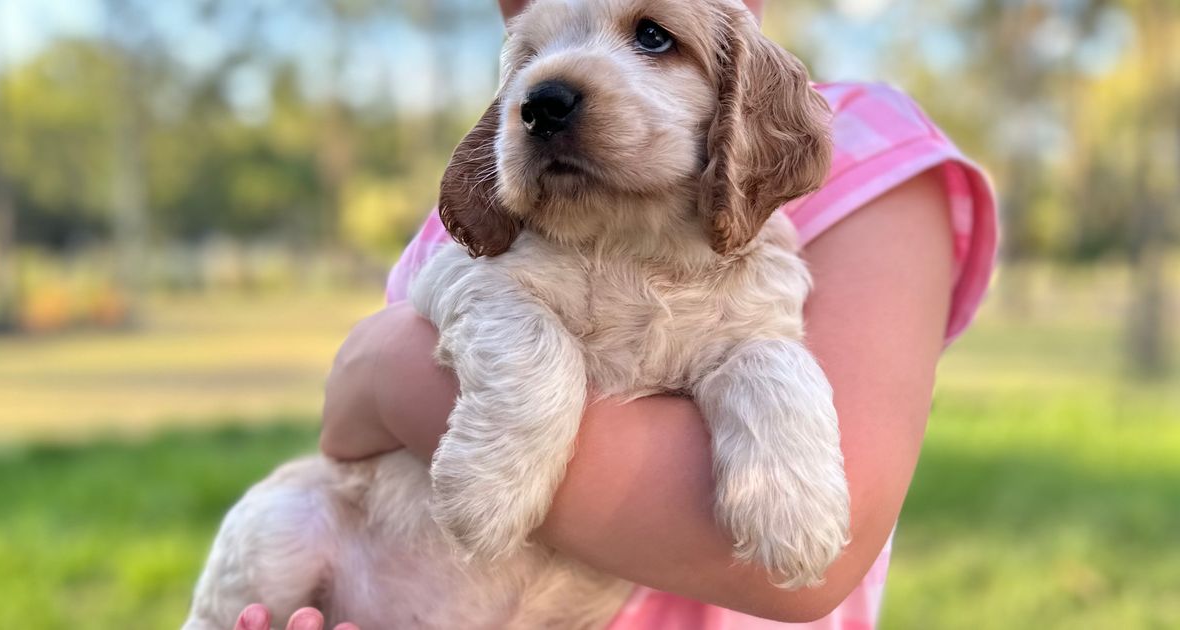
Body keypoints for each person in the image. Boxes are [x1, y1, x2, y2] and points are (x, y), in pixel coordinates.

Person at [232, 1, 997, 628]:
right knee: (282, 521)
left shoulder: (870, 164)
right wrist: (524, 392)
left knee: (766, 360)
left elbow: (804, 570)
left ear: (743, 105)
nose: (546, 95)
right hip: (343, 564)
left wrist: (767, 378)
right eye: (528, 59)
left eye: (654, 38)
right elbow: (349, 421)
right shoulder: (516, 215)